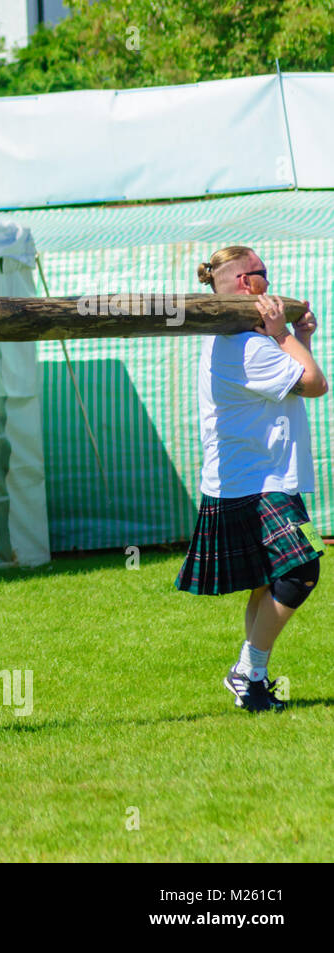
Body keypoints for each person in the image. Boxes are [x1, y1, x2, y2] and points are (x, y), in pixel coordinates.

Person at [175, 246, 328, 712]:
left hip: (258, 478)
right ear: (247, 283)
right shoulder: (244, 345)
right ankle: (247, 670)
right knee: (302, 569)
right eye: (264, 274)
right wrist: (285, 334)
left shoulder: (244, 336)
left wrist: (294, 335)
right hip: (256, 483)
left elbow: (295, 375)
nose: (269, 281)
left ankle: (253, 682)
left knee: (268, 579)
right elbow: (316, 383)